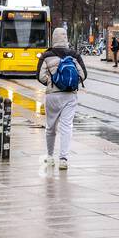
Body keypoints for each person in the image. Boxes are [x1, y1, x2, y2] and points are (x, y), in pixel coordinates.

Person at [36, 27, 87, 170]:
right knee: (66, 126)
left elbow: (39, 76)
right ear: (66, 38)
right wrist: (71, 83)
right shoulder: (74, 55)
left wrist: (51, 82)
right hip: (70, 96)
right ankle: (63, 159)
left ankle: (50, 156)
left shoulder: (46, 55)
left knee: (50, 127)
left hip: (52, 96)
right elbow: (83, 74)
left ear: (53, 38)